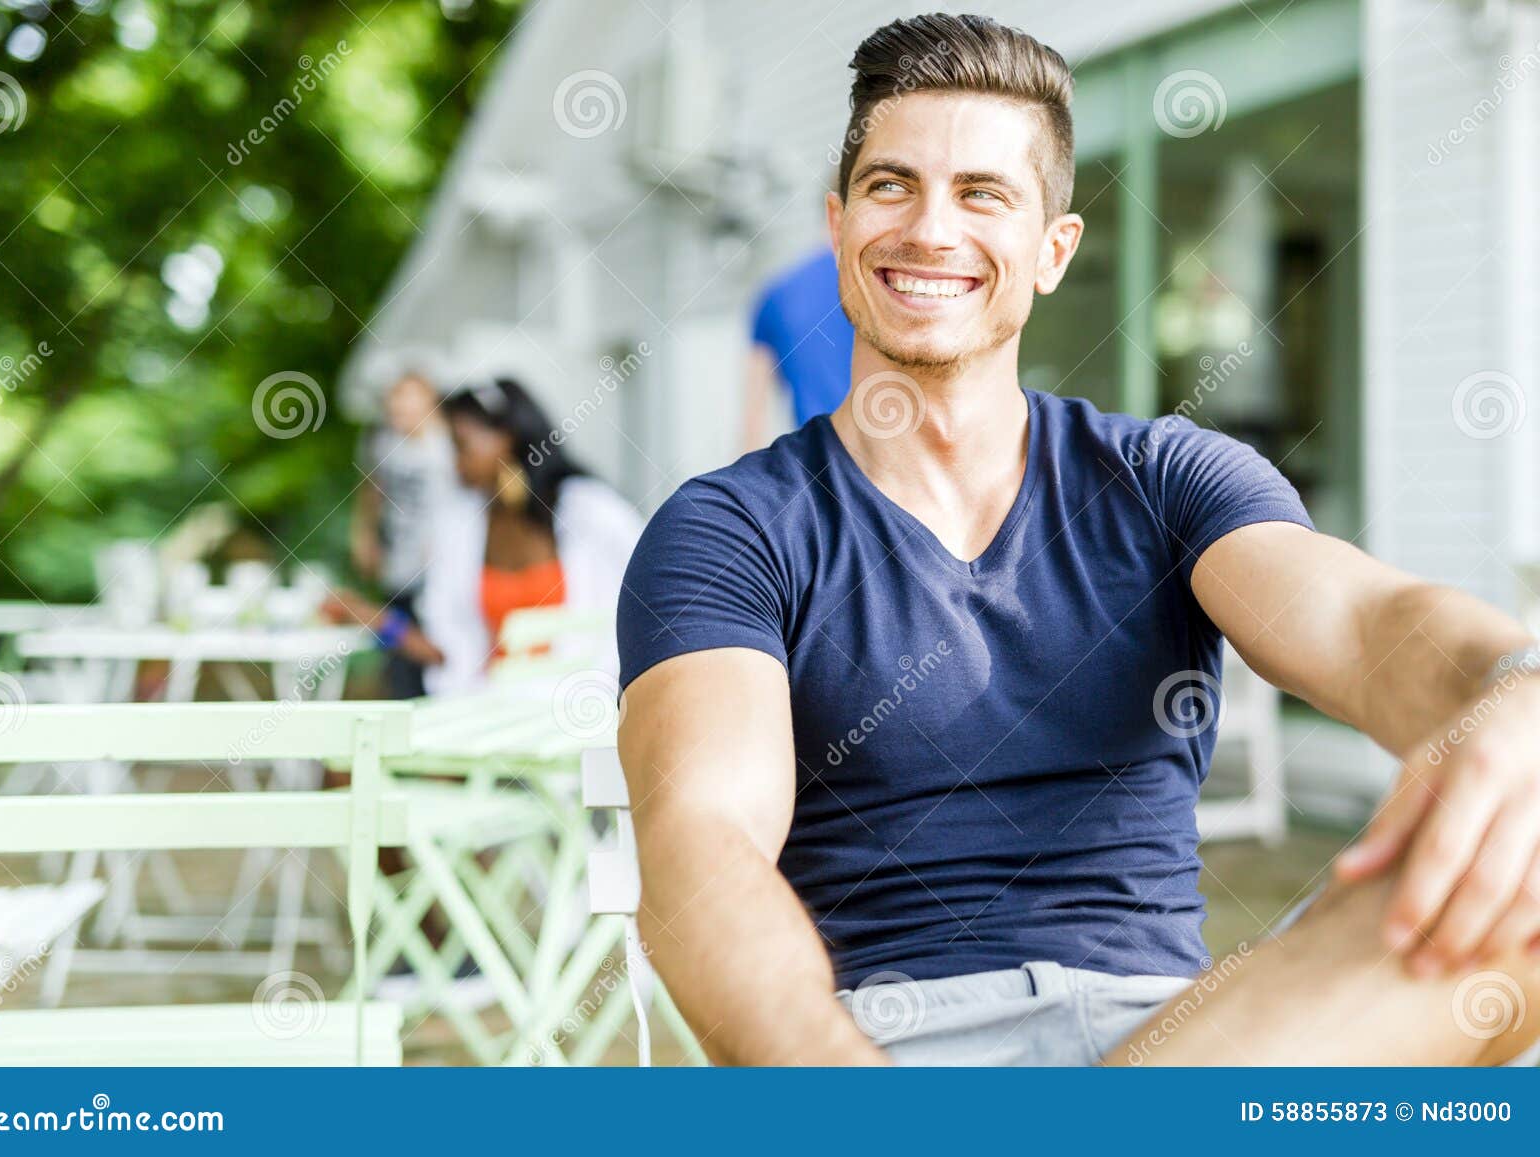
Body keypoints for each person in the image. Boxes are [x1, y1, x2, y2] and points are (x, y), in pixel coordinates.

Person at [615, 14, 1540, 1066]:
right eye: (890, 185)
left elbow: (1374, 622)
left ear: (1051, 250)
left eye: (981, 194)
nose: (927, 229)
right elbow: (703, 845)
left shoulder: (1166, 479)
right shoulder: (730, 528)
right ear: (836, 226)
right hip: (893, 1056)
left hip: (1186, 1049)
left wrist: (1517, 689)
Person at [328, 377, 643, 693]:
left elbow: (653, 597)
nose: (455, 463)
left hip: (582, 709)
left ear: (506, 438)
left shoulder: (590, 511)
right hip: (492, 709)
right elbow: (448, 652)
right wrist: (374, 619)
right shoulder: (460, 526)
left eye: (461, 446)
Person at [348, 369, 455, 698]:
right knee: (396, 643)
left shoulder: (446, 446)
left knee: (435, 644)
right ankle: (405, 706)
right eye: (395, 402)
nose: (401, 410)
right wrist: (364, 535)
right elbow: (372, 490)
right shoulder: (384, 443)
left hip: (439, 568)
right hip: (399, 562)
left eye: (410, 401)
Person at [744, 245, 855, 450]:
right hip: (891, 460)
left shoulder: (776, 294)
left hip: (814, 464)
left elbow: (754, 420)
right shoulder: (884, 286)